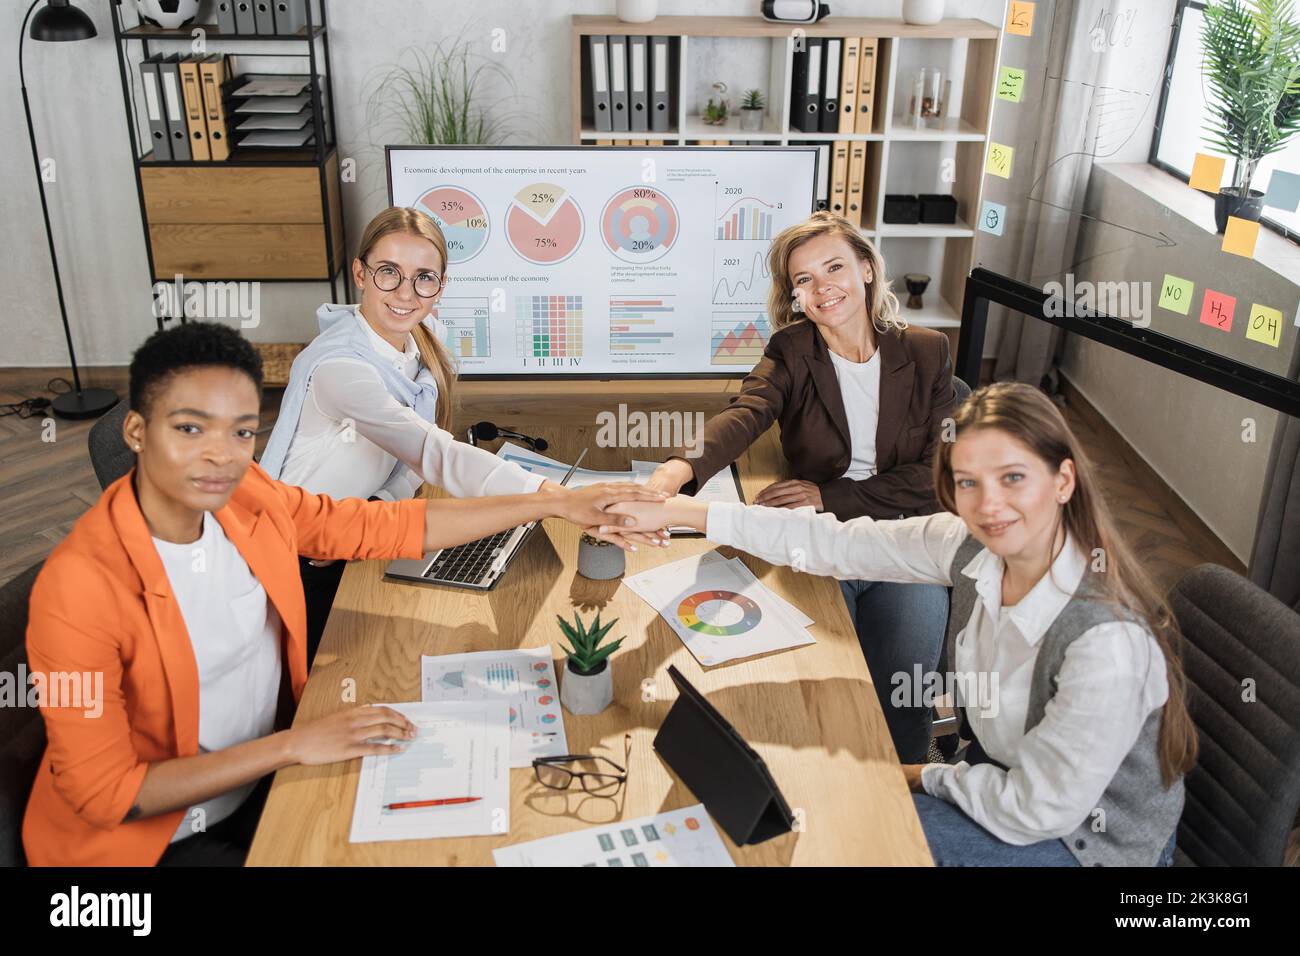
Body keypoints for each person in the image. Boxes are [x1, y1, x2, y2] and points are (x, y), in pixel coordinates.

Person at [23, 322, 663, 866]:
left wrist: (553, 505)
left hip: (261, 776)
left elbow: (390, 525)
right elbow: (107, 794)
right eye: (189, 429)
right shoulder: (77, 591)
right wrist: (296, 744)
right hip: (147, 848)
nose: (218, 456)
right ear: (136, 432)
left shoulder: (247, 494)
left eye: (241, 431)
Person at [608, 382, 1194, 866]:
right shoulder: (970, 544)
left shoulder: (1105, 642)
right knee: (824, 816)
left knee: (849, 844)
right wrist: (682, 511)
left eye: (1013, 478)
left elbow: (1034, 811)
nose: (989, 505)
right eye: (968, 482)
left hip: (1084, 842)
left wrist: (918, 776)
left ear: (1063, 481)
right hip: (998, 775)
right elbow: (831, 542)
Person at [258, 207, 657, 659]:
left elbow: (411, 457)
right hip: (300, 557)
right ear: (360, 273)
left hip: (355, 535)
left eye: (423, 277)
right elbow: (433, 453)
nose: (406, 293)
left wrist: (377, 508)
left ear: (441, 286)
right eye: (389, 272)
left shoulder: (423, 339)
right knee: (324, 676)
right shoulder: (339, 370)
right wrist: (557, 498)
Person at [647, 210, 956, 762]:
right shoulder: (792, 351)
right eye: (804, 280)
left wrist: (828, 495)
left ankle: (910, 799)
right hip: (823, 541)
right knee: (821, 676)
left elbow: (940, 477)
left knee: (902, 694)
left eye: (834, 267)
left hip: (909, 543)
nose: (822, 288)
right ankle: (835, 783)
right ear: (794, 296)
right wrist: (675, 474)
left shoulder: (927, 352)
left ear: (866, 268)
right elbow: (745, 414)